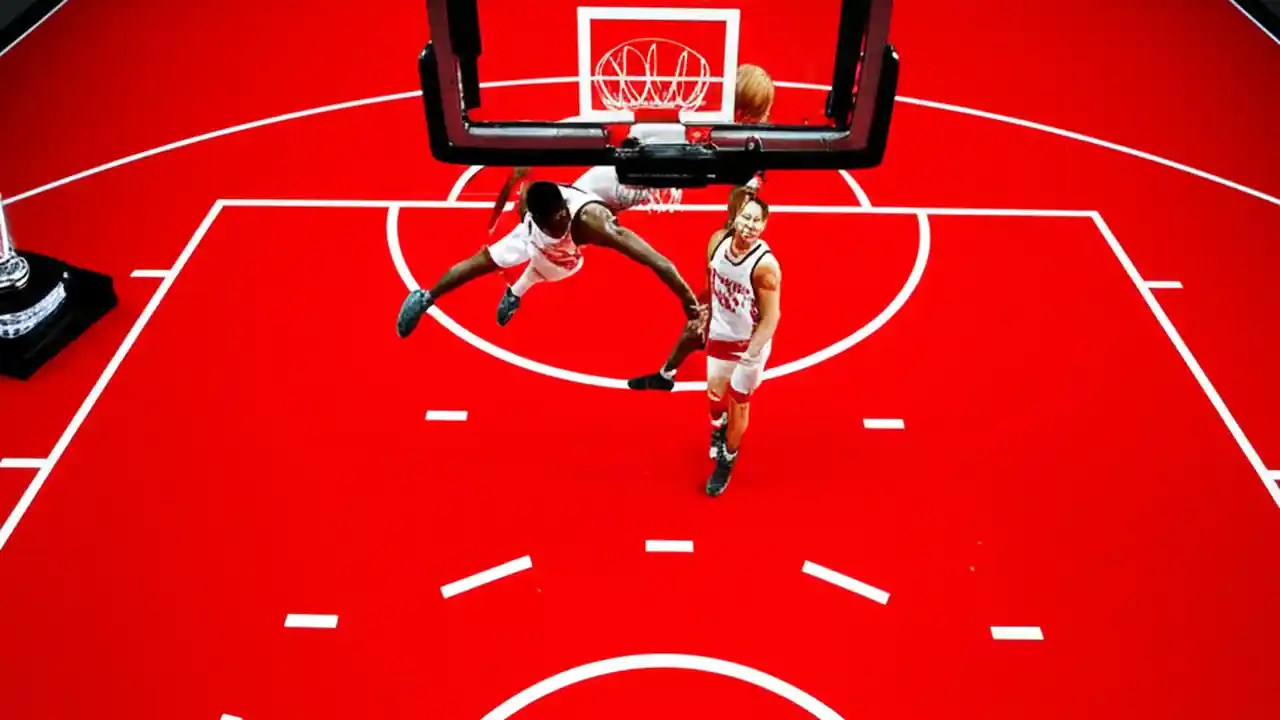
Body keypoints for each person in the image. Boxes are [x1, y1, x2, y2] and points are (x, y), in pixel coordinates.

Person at [395, 180, 704, 337]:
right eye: (552, 219)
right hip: (532, 238)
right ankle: (425, 297)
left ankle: (515, 293)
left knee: (539, 272)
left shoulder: (593, 222)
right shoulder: (531, 210)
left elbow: (659, 262)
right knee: (480, 262)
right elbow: (527, 188)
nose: (559, 218)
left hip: (564, 260)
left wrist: (689, 302)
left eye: (561, 215)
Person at [625, 183, 762, 392]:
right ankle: (665, 375)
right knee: (692, 335)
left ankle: (726, 412)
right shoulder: (721, 239)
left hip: (733, 312)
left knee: (723, 362)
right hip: (718, 300)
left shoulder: (748, 253)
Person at [701, 195, 781, 497]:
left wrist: (750, 356)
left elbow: (772, 316)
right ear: (736, 218)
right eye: (745, 218)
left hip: (749, 344)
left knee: (739, 402)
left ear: (764, 226)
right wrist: (706, 315)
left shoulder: (766, 267)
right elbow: (711, 281)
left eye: (756, 221)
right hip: (721, 334)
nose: (749, 226)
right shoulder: (717, 242)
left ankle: (727, 461)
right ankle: (718, 429)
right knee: (714, 396)